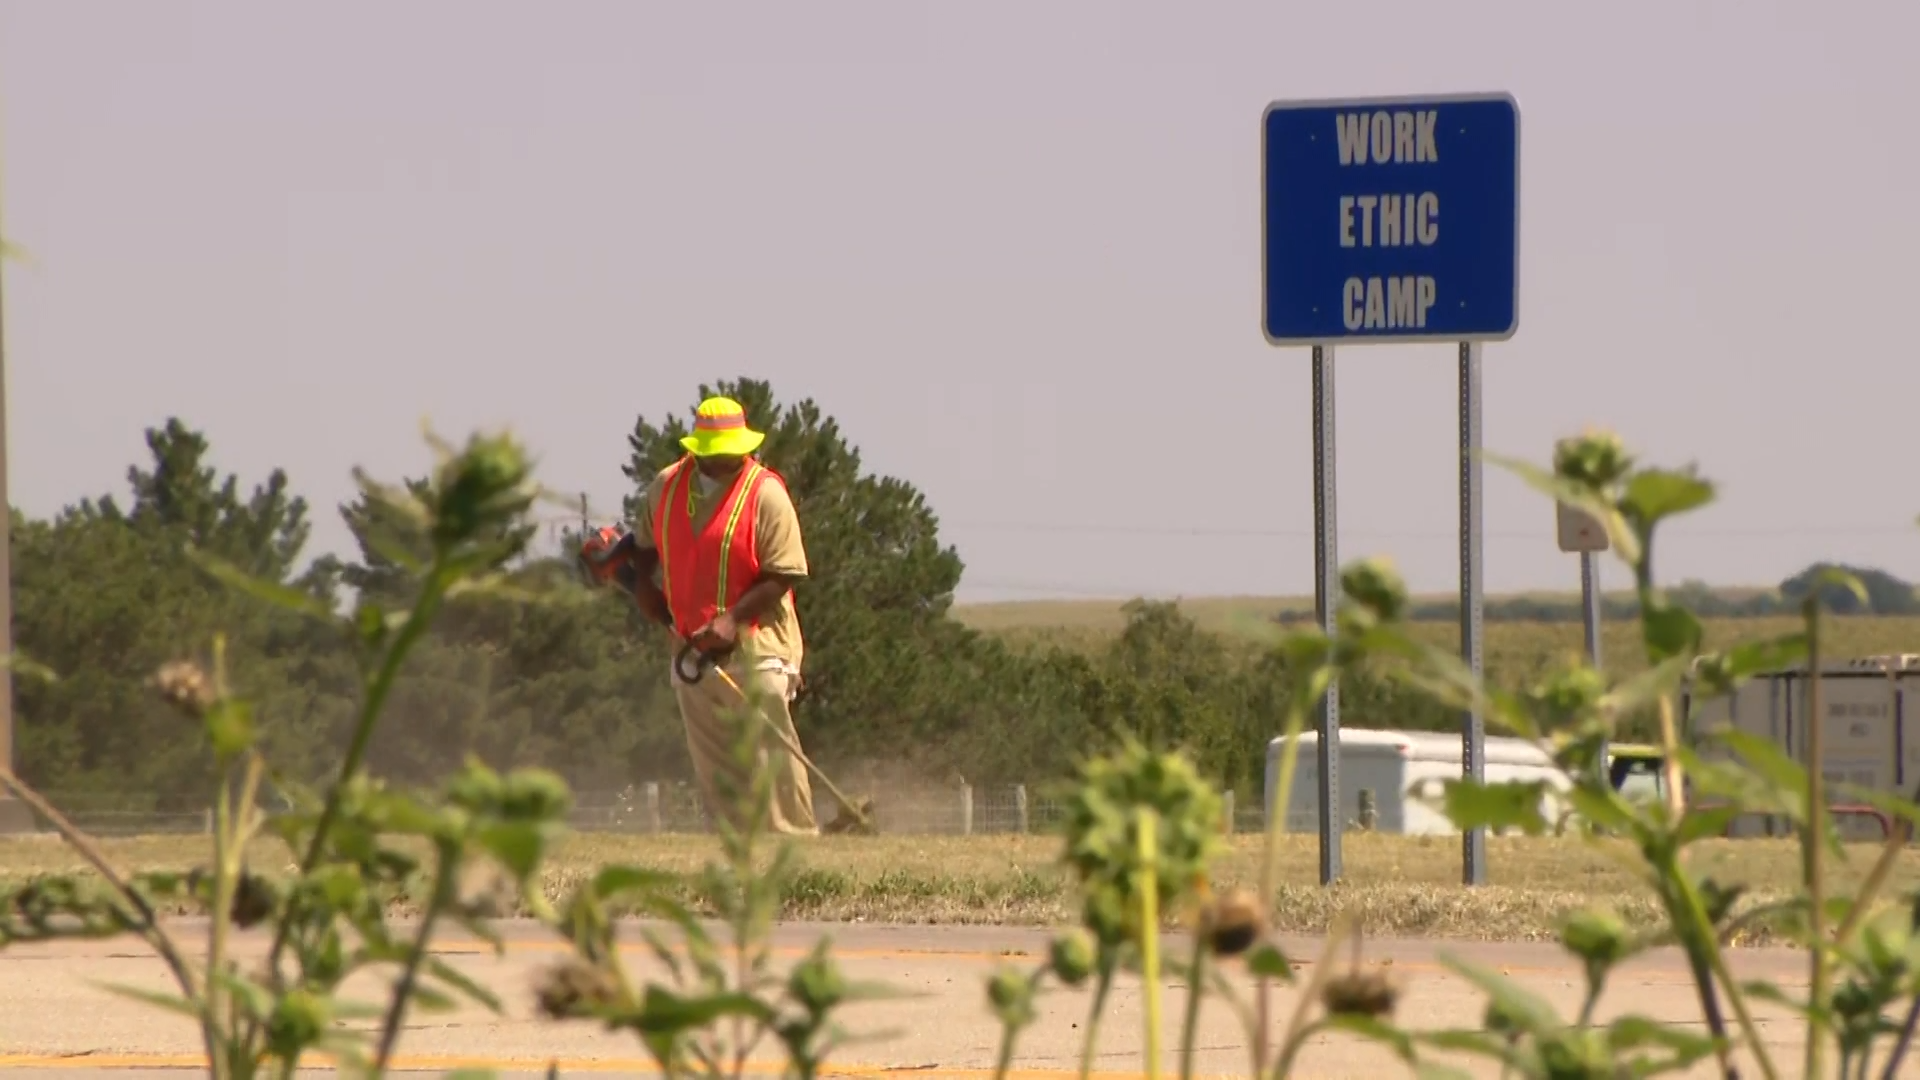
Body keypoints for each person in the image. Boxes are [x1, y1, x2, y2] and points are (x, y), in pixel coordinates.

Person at [580, 396, 819, 836]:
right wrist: (642, 586)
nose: (727, 458)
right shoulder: (666, 487)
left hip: (760, 644)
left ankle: (792, 837)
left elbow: (783, 572)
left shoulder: (766, 493)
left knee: (769, 752)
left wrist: (731, 620)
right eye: (718, 451)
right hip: (690, 645)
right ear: (699, 449)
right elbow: (646, 549)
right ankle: (732, 845)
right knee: (714, 760)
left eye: (734, 450)